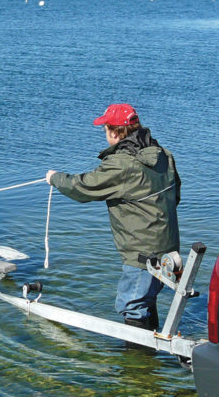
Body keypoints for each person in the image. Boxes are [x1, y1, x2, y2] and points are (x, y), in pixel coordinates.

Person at [46, 103, 181, 330]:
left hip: (141, 253)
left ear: (116, 132)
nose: (105, 134)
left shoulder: (121, 164)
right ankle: (152, 360)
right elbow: (176, 195)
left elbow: (83, 187)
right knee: (147, 300)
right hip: (168, 247)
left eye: (106, 129)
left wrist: (55, 178)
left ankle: (137, 362)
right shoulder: (164, 155)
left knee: (132, 304)